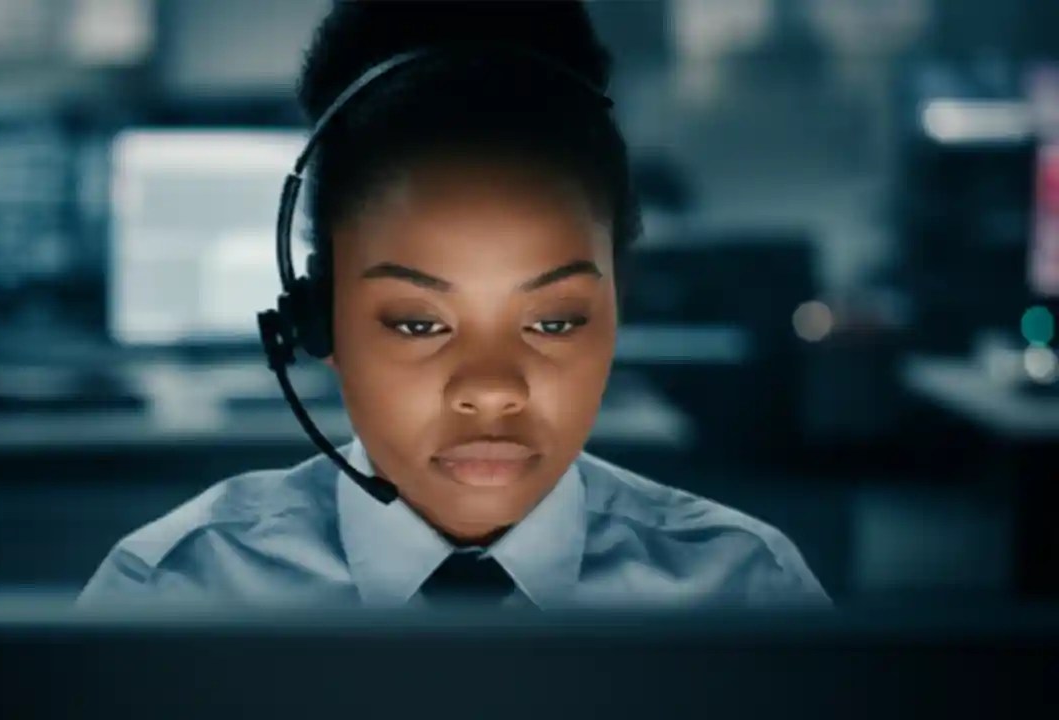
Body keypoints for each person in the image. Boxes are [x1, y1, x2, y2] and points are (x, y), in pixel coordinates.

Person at [79, 0, 829, 610]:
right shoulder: (171, 597)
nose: (491, 388)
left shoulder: (747, 596)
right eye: (418, 323)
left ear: (616, 310)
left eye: (554, 321)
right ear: (319, 316)